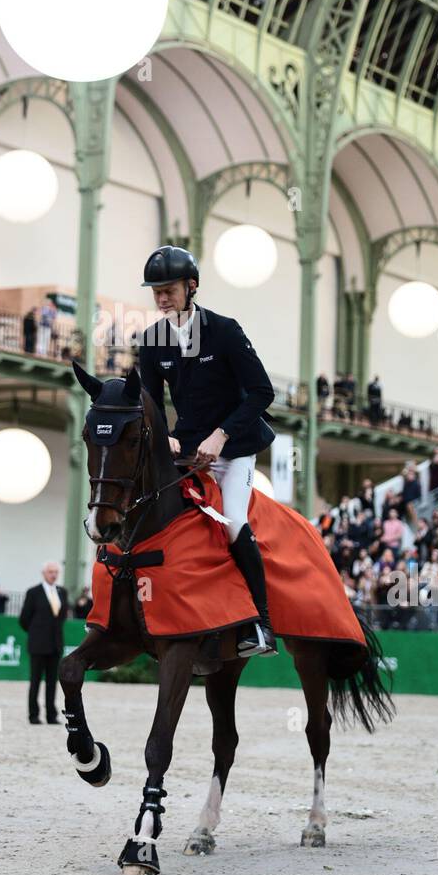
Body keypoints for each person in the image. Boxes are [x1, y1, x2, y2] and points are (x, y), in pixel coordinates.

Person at [137, 244, 277, 657]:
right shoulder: (151, 340)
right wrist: (163, 435)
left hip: (236, 447)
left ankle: (261, 624)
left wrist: (221, 436)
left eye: (169, 289)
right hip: (188, 450)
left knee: (232, 521)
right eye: (156, 291)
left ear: (191, 286)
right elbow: (149, 402)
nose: (162, 298)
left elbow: (261, 393)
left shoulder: (224, 330)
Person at [19, 562, 68, 723]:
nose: (53, 575)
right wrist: (36, 633)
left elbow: (62, 617)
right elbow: (24, 619)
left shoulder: (62, 592)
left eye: (56, 572)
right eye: (50, 572)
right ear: (44, 573)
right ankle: (33, 715)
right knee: (35, 681)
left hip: (55, 644)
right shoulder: (34, 593)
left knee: (52, 682)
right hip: (38, 644)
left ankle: (51, 715)